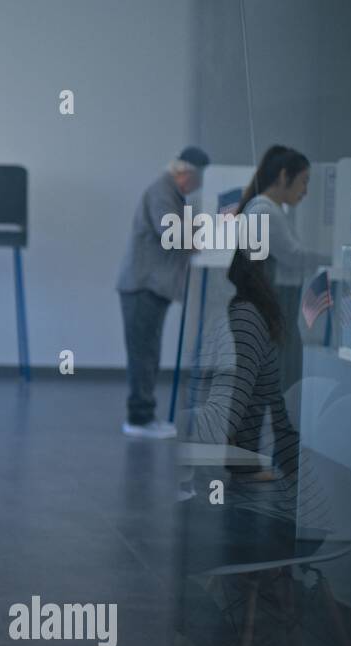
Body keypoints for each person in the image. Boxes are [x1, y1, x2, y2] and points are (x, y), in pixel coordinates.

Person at [174, 249, 331, 646]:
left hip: (283, 513)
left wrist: (173, 429)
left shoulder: (239, 322)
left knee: (155, 553)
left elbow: (218, 429)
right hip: (267, 502)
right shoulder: (243, 317)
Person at [115, 146, 210, 439]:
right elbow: (172, 235)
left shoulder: (171, 194)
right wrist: (198, 236)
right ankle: (139, 419)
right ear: (185, 173)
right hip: (144, 286)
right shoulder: (162, 192)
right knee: (144, 354)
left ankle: (144, 415)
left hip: (150, 287)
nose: (198, 186)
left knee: (148, 353)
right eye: (198, 180)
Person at [236, 145, 332, 391]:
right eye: (303, 182)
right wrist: (330, 258)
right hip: (274, 301)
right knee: (280, 376)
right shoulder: (264, 211)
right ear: (283, 176)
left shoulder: (270, 210)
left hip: (276, 301)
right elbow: (292, 255)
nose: (305, 191)